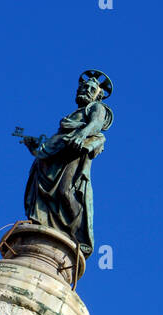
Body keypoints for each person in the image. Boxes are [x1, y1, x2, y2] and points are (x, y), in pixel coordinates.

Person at [16, 70, 113, 257]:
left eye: (91, 88)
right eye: (84, 86)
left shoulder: (96, 108)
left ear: (98, 95)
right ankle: (43, 222)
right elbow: (54, 142)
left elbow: (95, 124)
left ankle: (79, 236)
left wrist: (81, 134)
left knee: (66, 192)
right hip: (56, 155)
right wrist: (37, 146)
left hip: (72, 154)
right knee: (42, 192)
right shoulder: (75, 113)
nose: (85, 89)